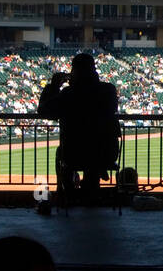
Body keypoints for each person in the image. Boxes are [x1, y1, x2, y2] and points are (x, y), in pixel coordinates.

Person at [37, 53, 119, 201]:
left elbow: (44, 110)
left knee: (63, 153)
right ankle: (91, 190)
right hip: (106, 153)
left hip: (74, 153)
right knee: (93, 153)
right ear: (94, 70)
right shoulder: (109, 90)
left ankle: (67, 192)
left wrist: (54, 86)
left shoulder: (68, 94)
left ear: (74, 72)